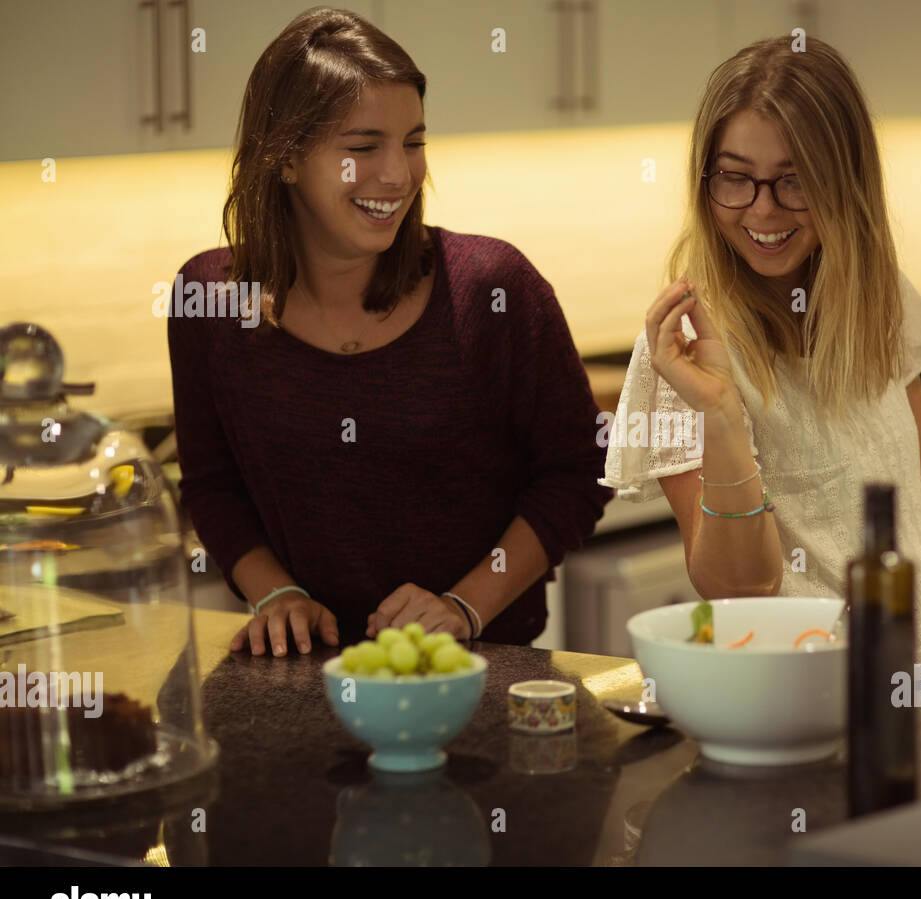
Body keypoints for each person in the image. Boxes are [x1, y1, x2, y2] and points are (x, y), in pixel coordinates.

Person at [600, 37, 921, 769]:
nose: (761, 211)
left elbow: (916, 498)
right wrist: (722, 414)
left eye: (794, 181)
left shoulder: (880, 300)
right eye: (734, 180)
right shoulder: (684, 344)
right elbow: (739, 586)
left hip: (919, 683)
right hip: (790, 704)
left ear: (845, 182)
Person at [168, 8, 610, 655]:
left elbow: (577, 474)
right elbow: (212, 484)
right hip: (298, 678)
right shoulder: (206, 300)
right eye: (363, 147)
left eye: (413, 141)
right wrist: (275, 595)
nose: (399, 175)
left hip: (484, 673)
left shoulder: (493, 286)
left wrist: (464, 606)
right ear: (286, 157)